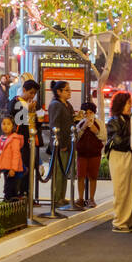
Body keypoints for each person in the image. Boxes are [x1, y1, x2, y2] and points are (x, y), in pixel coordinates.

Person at [107, 91, 132, 232]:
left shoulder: (128, 119)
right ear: (120, 104)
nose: (130, 106)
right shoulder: (114, 120)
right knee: (121, 190)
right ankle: (119, 222)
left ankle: (129, 221)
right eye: (128, 103)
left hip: (131, 156)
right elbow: (118, 140)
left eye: (131, 103)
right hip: (120, 156)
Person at [46, 81, 75, 212]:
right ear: (59, 92)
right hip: (59, 144)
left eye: (69, 90)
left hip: (69, 143)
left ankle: (62, 197)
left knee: (65, 172)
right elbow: (54, 125)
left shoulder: (67, 104)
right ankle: (56, 198)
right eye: (67, 90)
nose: (70, 92)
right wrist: (61, 143)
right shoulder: (55, 105)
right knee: (59, 172)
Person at [74, 100, 106, 208]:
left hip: (95, 153)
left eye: (90, 112)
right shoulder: (80, 123)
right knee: (80, 176)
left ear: (94, 112)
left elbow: (104, 137)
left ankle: (91, 198)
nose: (88, 115)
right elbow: (75, 137)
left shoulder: (99, 123)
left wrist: (96, 131)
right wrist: (82, 129)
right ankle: (80, 198)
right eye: (85, 113)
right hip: (82, 154)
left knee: (93, 177)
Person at [11, 79, 37, 196]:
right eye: (31, 93)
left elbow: (32, 122)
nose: (32, 96)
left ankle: (26, 193)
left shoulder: (29, 104)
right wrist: (27, 109)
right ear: (24, 90)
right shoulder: (16, 101)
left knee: (28, 168)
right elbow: (18, 121)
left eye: (34, 94)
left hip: (29, 141)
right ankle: (18, 195)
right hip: (19, 142)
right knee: (20, 169)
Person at [0, 115, 25, 201]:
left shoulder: (14, 139)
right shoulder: (2, 138)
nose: (5, 126)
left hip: (12, 169)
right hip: (6, 168)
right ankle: (10, 204)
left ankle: (8, 204)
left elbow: (16, 155)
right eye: (3, 124)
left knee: (10, 188)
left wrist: (13, 169)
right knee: (8, 187)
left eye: (8, 124)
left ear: (13, 126)